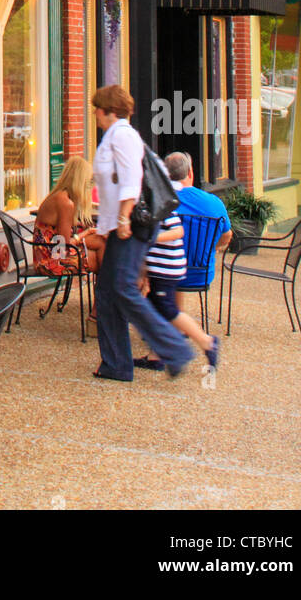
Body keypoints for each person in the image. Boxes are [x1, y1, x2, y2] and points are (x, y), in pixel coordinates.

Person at [90, 84, 194, 382]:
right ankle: (116, 364)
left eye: (97, 108)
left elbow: (132, 180)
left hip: (132, 226)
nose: (95, 113)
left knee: (123, 290)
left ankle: (174, 349)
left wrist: (122, 220)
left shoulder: (122, 135)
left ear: (108, 110)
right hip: (121, 225)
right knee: (108, 294)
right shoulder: (116, 135)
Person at [134, 210, 220, 371]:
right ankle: (157, 356)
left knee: (168, 310)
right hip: (157, 268)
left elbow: (178, 231)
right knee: (154, 311)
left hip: (166, 270)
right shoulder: (145, 207)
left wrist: (151, 238)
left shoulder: (161, 206)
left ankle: (207, 342)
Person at [164, 151, 232, 307]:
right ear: (190, 173)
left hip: (165, 273)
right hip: (201, 274)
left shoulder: (160, 202)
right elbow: (227, 236)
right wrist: (212, 249)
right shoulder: (214, 203)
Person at [33, 156, 104, 275]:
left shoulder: (59, 196)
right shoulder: (65, 203)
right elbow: (64, 244)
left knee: (101, 240)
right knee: (99, 257)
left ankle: (106, 289)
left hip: (50, 252)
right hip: (50, 261)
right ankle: (107, 289)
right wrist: (86, 233)